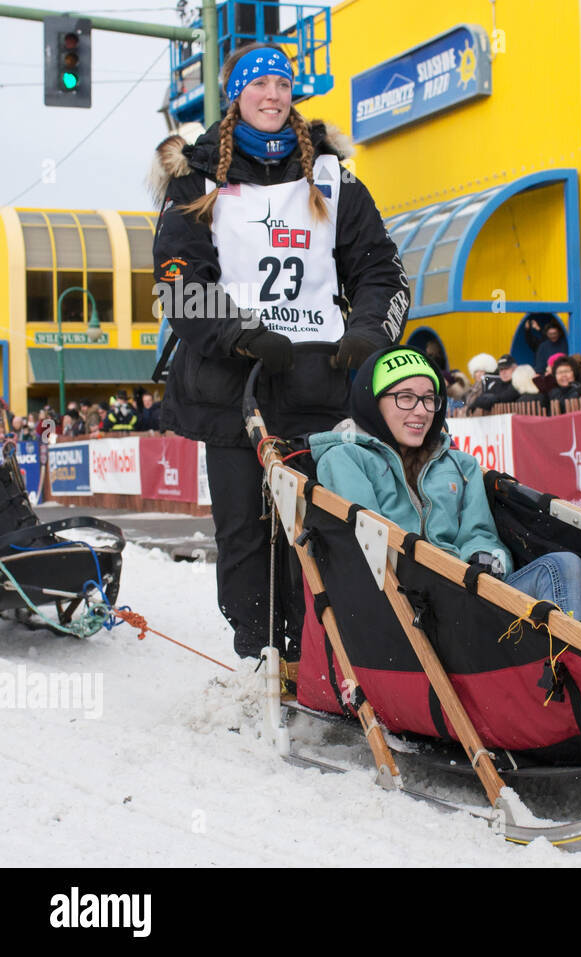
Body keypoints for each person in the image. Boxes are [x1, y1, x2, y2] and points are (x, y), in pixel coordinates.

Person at [151, 42, 408, 659]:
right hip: (230, 387)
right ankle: (260, 657)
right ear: (236, 95)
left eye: (281, 85)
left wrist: (369, 333)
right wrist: (237, 333)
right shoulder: (198, 175)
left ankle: (315, 660)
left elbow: (382, 271)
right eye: (257, 84)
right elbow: (178, 283)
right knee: (244, 533)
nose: (271, 95)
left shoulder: (330, 176)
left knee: (315, 531)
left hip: (316, 384)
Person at [312, 347, 581, 618]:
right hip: (406, 608)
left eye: (429, 399)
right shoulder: (345, 458)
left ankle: (569, 660)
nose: (422, 411)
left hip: (466, 595)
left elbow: (480, 534)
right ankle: (566, 659)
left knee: (562, 566)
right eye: (405, 398)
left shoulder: (459, 464)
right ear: (372, 401)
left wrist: (484, 558)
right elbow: (367, 545)